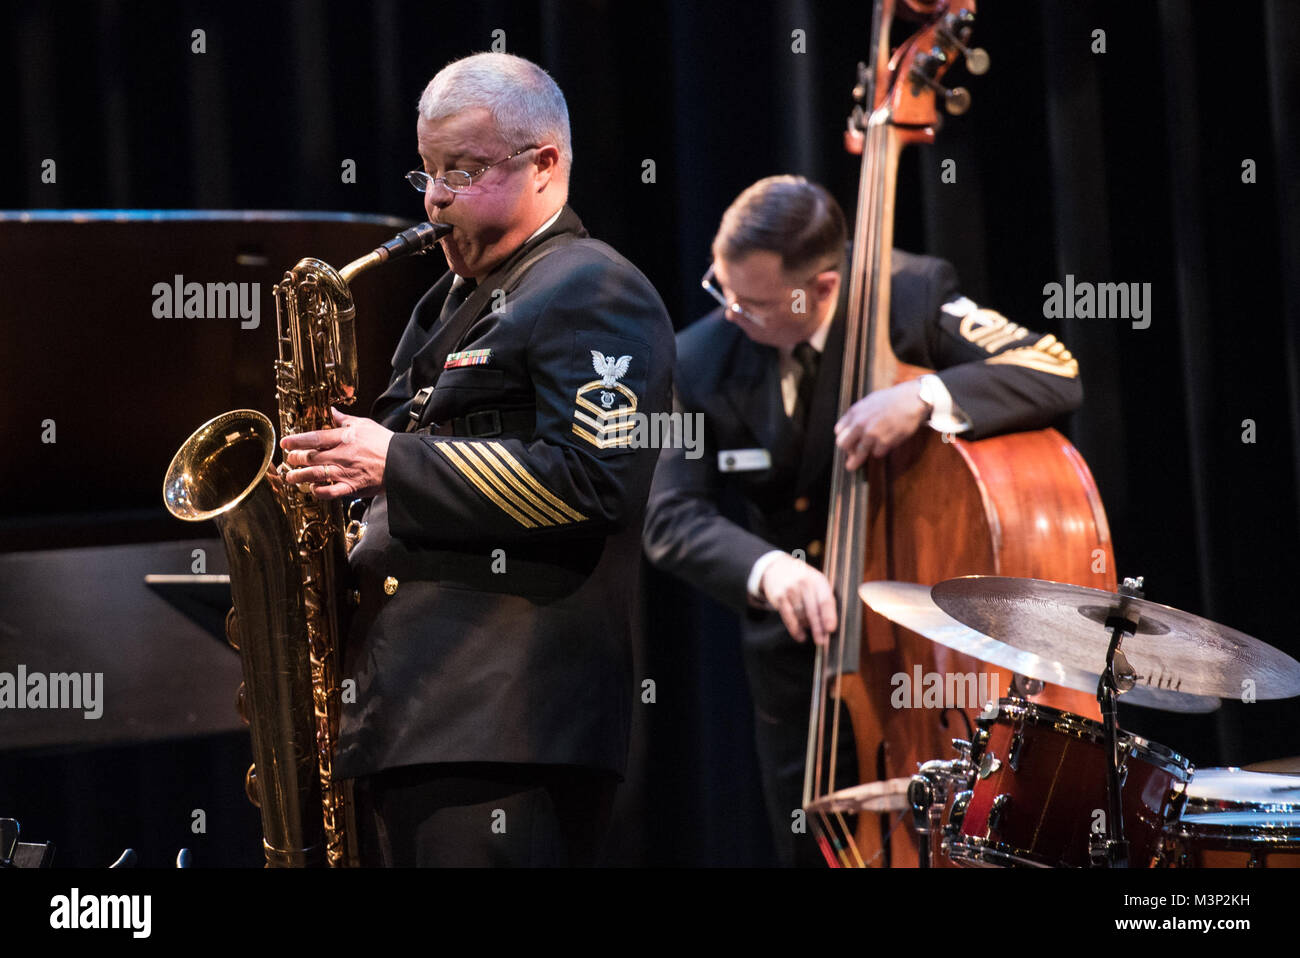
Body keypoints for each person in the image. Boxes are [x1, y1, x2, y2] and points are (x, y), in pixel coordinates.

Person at [280, 52, 674, 867]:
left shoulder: (594, 288)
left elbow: (594, 481)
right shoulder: (445, 302)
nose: (433, 199)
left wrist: (391, 461)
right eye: (426, 171)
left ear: (545, 165)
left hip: (505, 725)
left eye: (461, 171)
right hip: (409, 713)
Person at [642, 175, 1081, 866]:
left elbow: (1053, 369)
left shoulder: (911, 294)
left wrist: (925, 394)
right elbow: (670, 517)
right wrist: (769, 569)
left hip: (922, 651)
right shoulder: (697, 359)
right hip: (801, 662)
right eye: (718, 286)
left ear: (820, 288)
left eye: (751, 301)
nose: (729, 312)